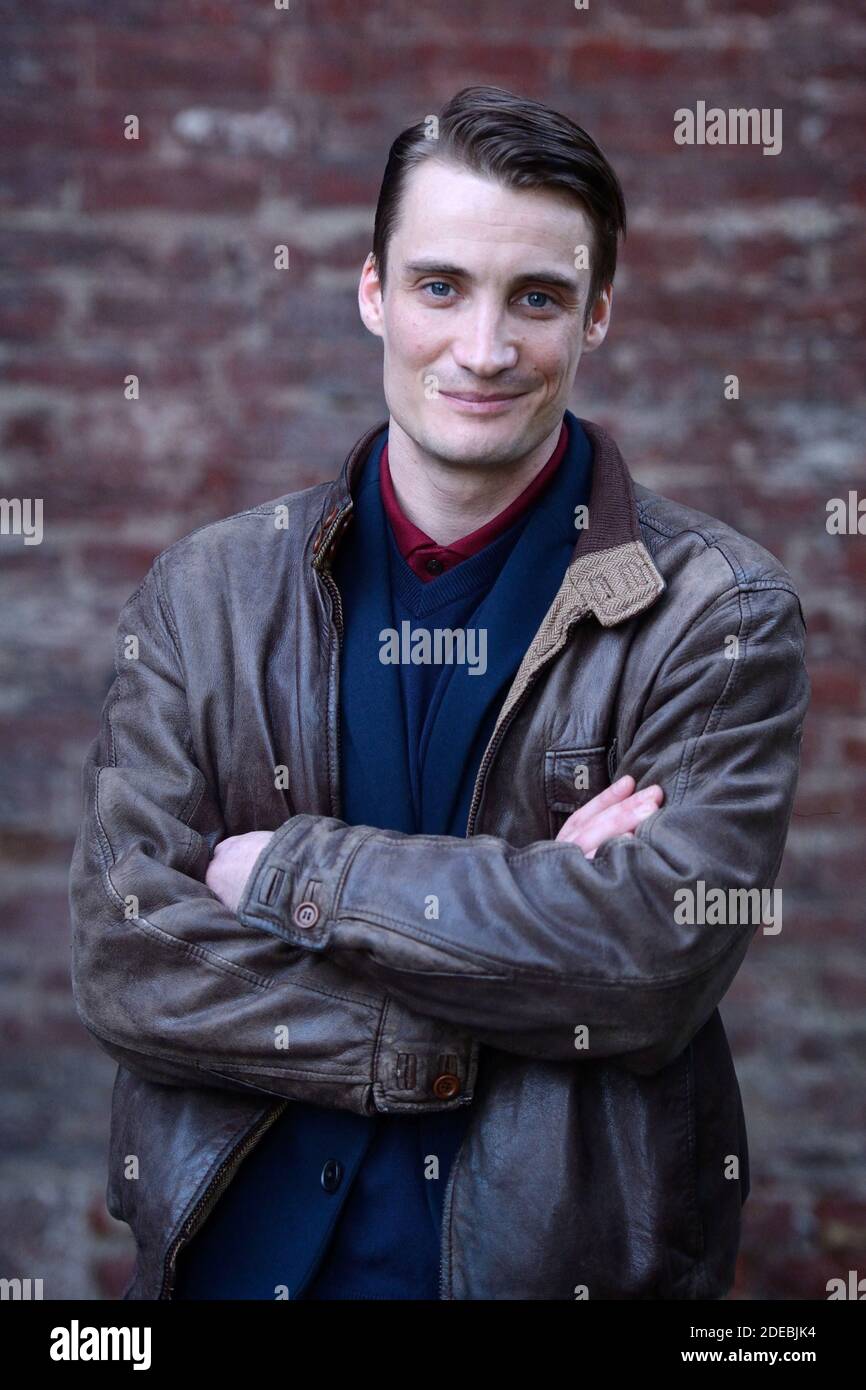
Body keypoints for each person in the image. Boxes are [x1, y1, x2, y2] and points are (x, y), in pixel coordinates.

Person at [69, 85, 809, 1300]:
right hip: (229, 1270)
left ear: (597, 314)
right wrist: (512, 957)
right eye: (438, 286)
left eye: (536, 298)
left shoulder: (713, 614)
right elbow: (125, 951)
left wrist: (284, 877)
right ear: (372, 291)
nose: (481, 350)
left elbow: (643, 965)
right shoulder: (205, 595)